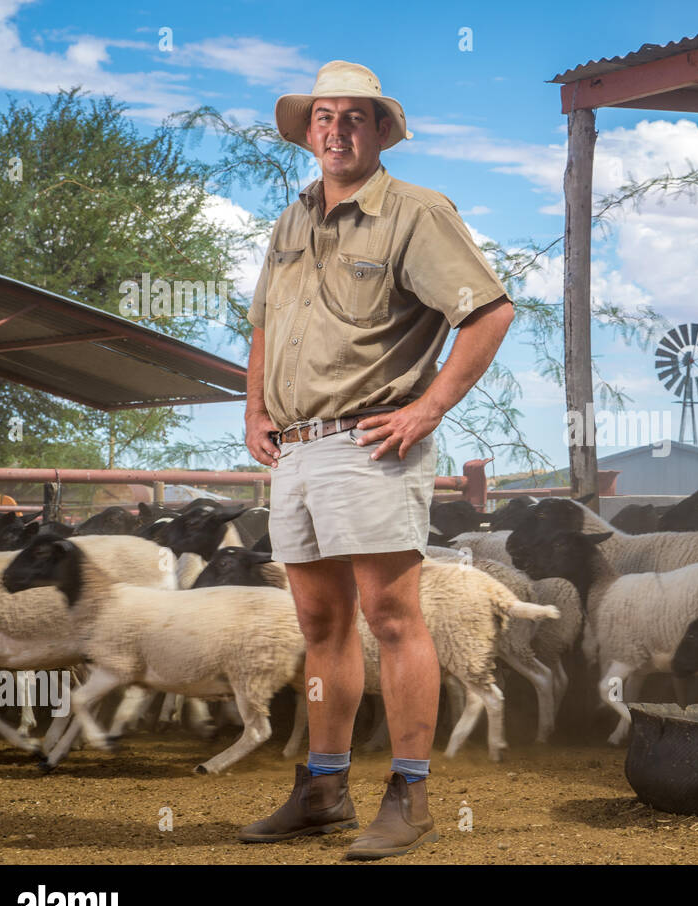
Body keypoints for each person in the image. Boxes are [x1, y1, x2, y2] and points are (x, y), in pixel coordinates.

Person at [237, 60, 514, 859]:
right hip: (294, 448)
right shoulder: (290, 221)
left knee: (392, 616)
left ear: (384, 131)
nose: (336, 130)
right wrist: (255, 408)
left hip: (369, 440)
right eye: (323, 117)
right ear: (308, 130)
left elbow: (490, 312)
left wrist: (428, 409)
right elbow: (260, 325)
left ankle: (411, 794)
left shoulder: (415, 214)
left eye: (355, 117)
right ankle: (323, 786)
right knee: (321, 623)